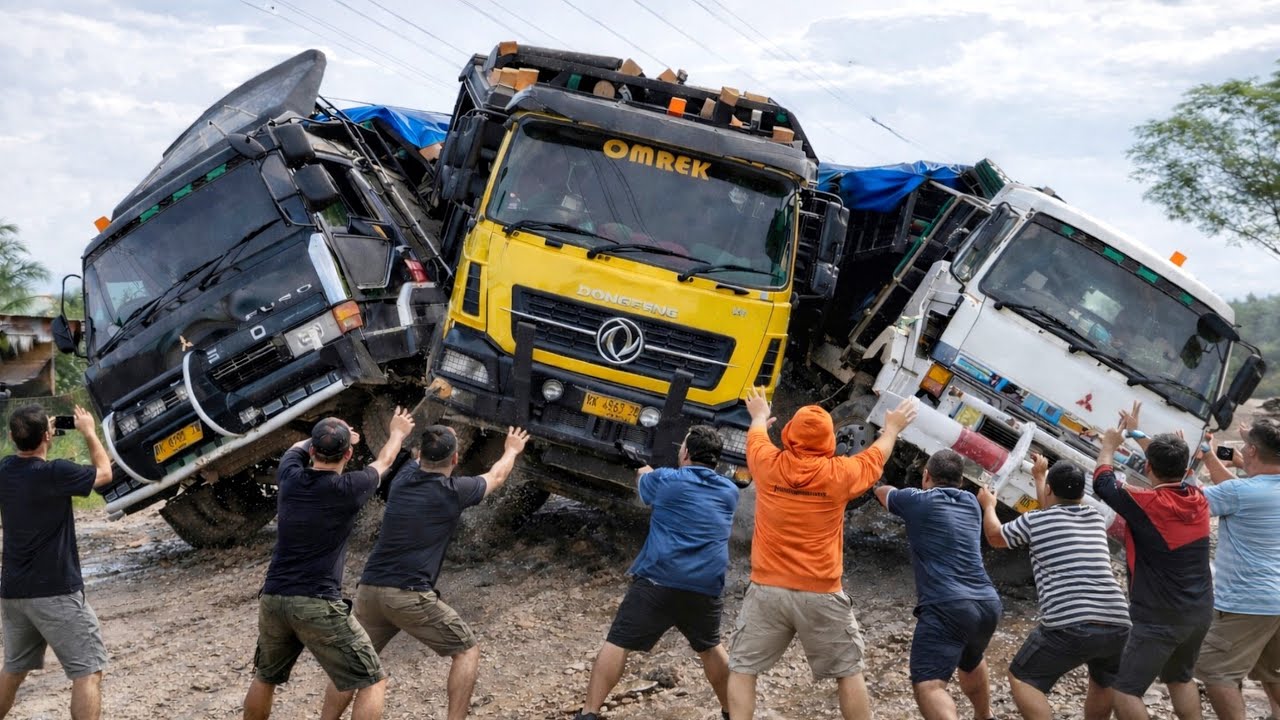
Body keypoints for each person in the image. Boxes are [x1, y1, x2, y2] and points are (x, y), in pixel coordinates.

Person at [727, 387, 918, 720]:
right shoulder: (840, 474)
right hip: (821, 592)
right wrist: (892, 428)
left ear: (789, 433)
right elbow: (877, 455)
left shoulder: (767, 463)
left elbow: (756, 434)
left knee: (742, 668)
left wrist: (759, 415)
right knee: (849, 671)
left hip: (766, 590)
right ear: (831, 440)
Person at [242, 408, 414, 720]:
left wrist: (328, 432)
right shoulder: (349, 488)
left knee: (265, 677)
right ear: (348, 454)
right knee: (372, 681)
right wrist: (398, 432)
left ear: (312, 451)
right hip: (317, 602)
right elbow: (385, 461)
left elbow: (296, 448)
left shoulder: (289, 477)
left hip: (273, 597)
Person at [348, 424, 529, 720]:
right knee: (467, 651)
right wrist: (511, 449)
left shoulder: (402, 480)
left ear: (420, 455)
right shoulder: (454, 491)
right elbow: (497, 476)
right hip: (408, 596)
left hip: (369, 590)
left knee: (353, 668)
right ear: (455, 459)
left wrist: (404, 433)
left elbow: (405, 456)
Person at [574, 425, 739, 720]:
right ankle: (734, 713)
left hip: (658, 580)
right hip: (704, 586)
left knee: (618, 642)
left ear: (686, 453)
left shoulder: (665, 479)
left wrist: (639, 466)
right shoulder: (729, 492)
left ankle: (589, 713)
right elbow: (682, 488)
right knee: (711, 647)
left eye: (682, 445)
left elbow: (648, 484)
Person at [978, 454, 1132, 720]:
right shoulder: (1095, 518)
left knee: (1023, 678)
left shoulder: (1035, 521)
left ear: (1050, 490)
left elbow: (995, 537)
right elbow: (1051, 511)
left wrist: (989, 505)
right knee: (1102, 682)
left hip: (1071, 623)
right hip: (1118, 620)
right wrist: (1040, 478)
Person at [0, 405, 112, 720]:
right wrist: (89, 431)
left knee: (13, 669)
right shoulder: (55, 473)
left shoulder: (5, 470)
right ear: (48, 436)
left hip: (13, 591)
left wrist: (38, 431)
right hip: (55, 592)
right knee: (88, 671)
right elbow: (105, 474)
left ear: (11, 437)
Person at [1093, 425, 1211, 720]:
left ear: (1147, 467)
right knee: (1180, 678)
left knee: (1125, 691)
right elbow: (1170, 470)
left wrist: (1109, 445)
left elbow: (1103, 482)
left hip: (1160, 616)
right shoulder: (1198, 498)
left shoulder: (1148, 503)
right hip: (1199, 611)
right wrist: (1141, 435)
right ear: (1184, 468)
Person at [873, 449, 1002, 720]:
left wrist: (876, 482)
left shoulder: (917, 500)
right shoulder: (971, 502)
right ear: (961, 481)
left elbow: (884, 494)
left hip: (948, 605)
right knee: (971, 660)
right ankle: (985, 716)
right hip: (987, 603)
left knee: (929, 685)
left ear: (926, 475)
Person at [1193, 419, 1280, 720]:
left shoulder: (1241, 491)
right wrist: (1211, 452)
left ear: (1252, 450)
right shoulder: (1246, 490)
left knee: (1213, 670)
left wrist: (1191, 465)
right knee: (1272, 671)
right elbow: (1238, 486)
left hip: (1248, 601)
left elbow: (1189, 505)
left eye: (1246, 446)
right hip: (1275, 600)